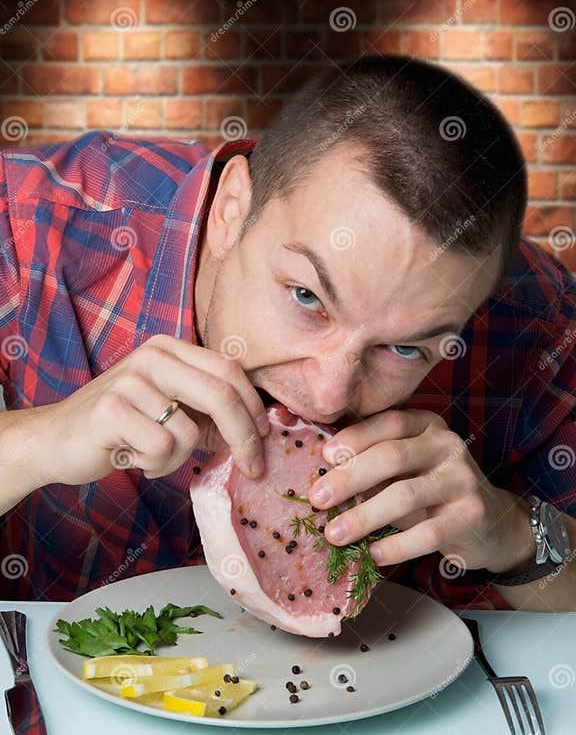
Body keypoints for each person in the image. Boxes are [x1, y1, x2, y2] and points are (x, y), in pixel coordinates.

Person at [0, 55, 574, 612]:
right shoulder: (28, 223)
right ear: (232, 210)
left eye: (405, 348)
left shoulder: (536, 319)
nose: (328, 395)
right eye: (307, 297)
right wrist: (34, 442)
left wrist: (516, 536)